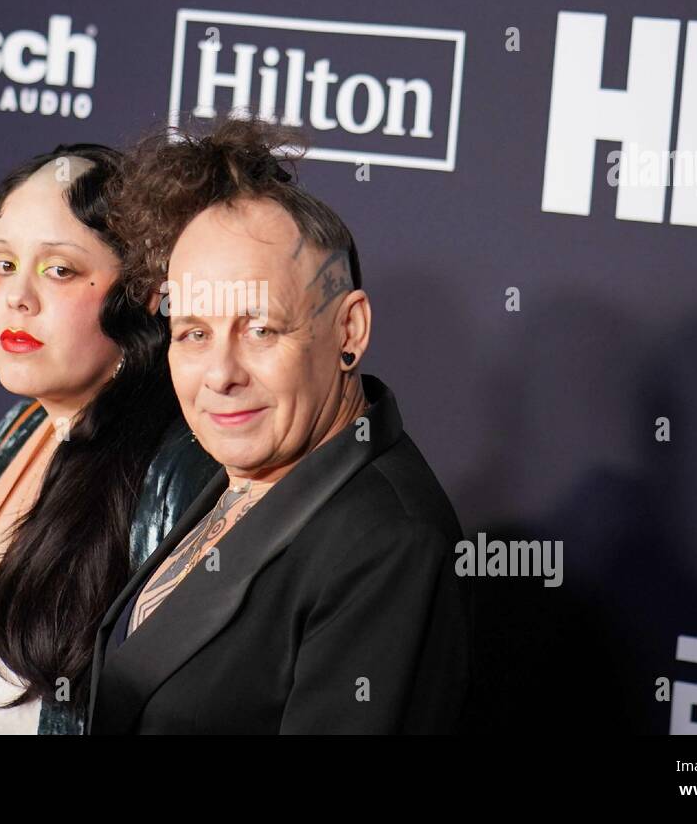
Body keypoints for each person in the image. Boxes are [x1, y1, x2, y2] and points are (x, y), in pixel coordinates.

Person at [87, 118, 472, 734]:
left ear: (348, 331)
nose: (220, 374)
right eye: (193, 333)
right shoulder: (249, 473)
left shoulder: (388, 544)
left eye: (261, 329)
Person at [0, 143, 219, 734]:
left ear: (143, 293)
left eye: (60, 269)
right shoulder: (16, 437)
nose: (19, 296)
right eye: (2, 264)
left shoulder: (176, 478)